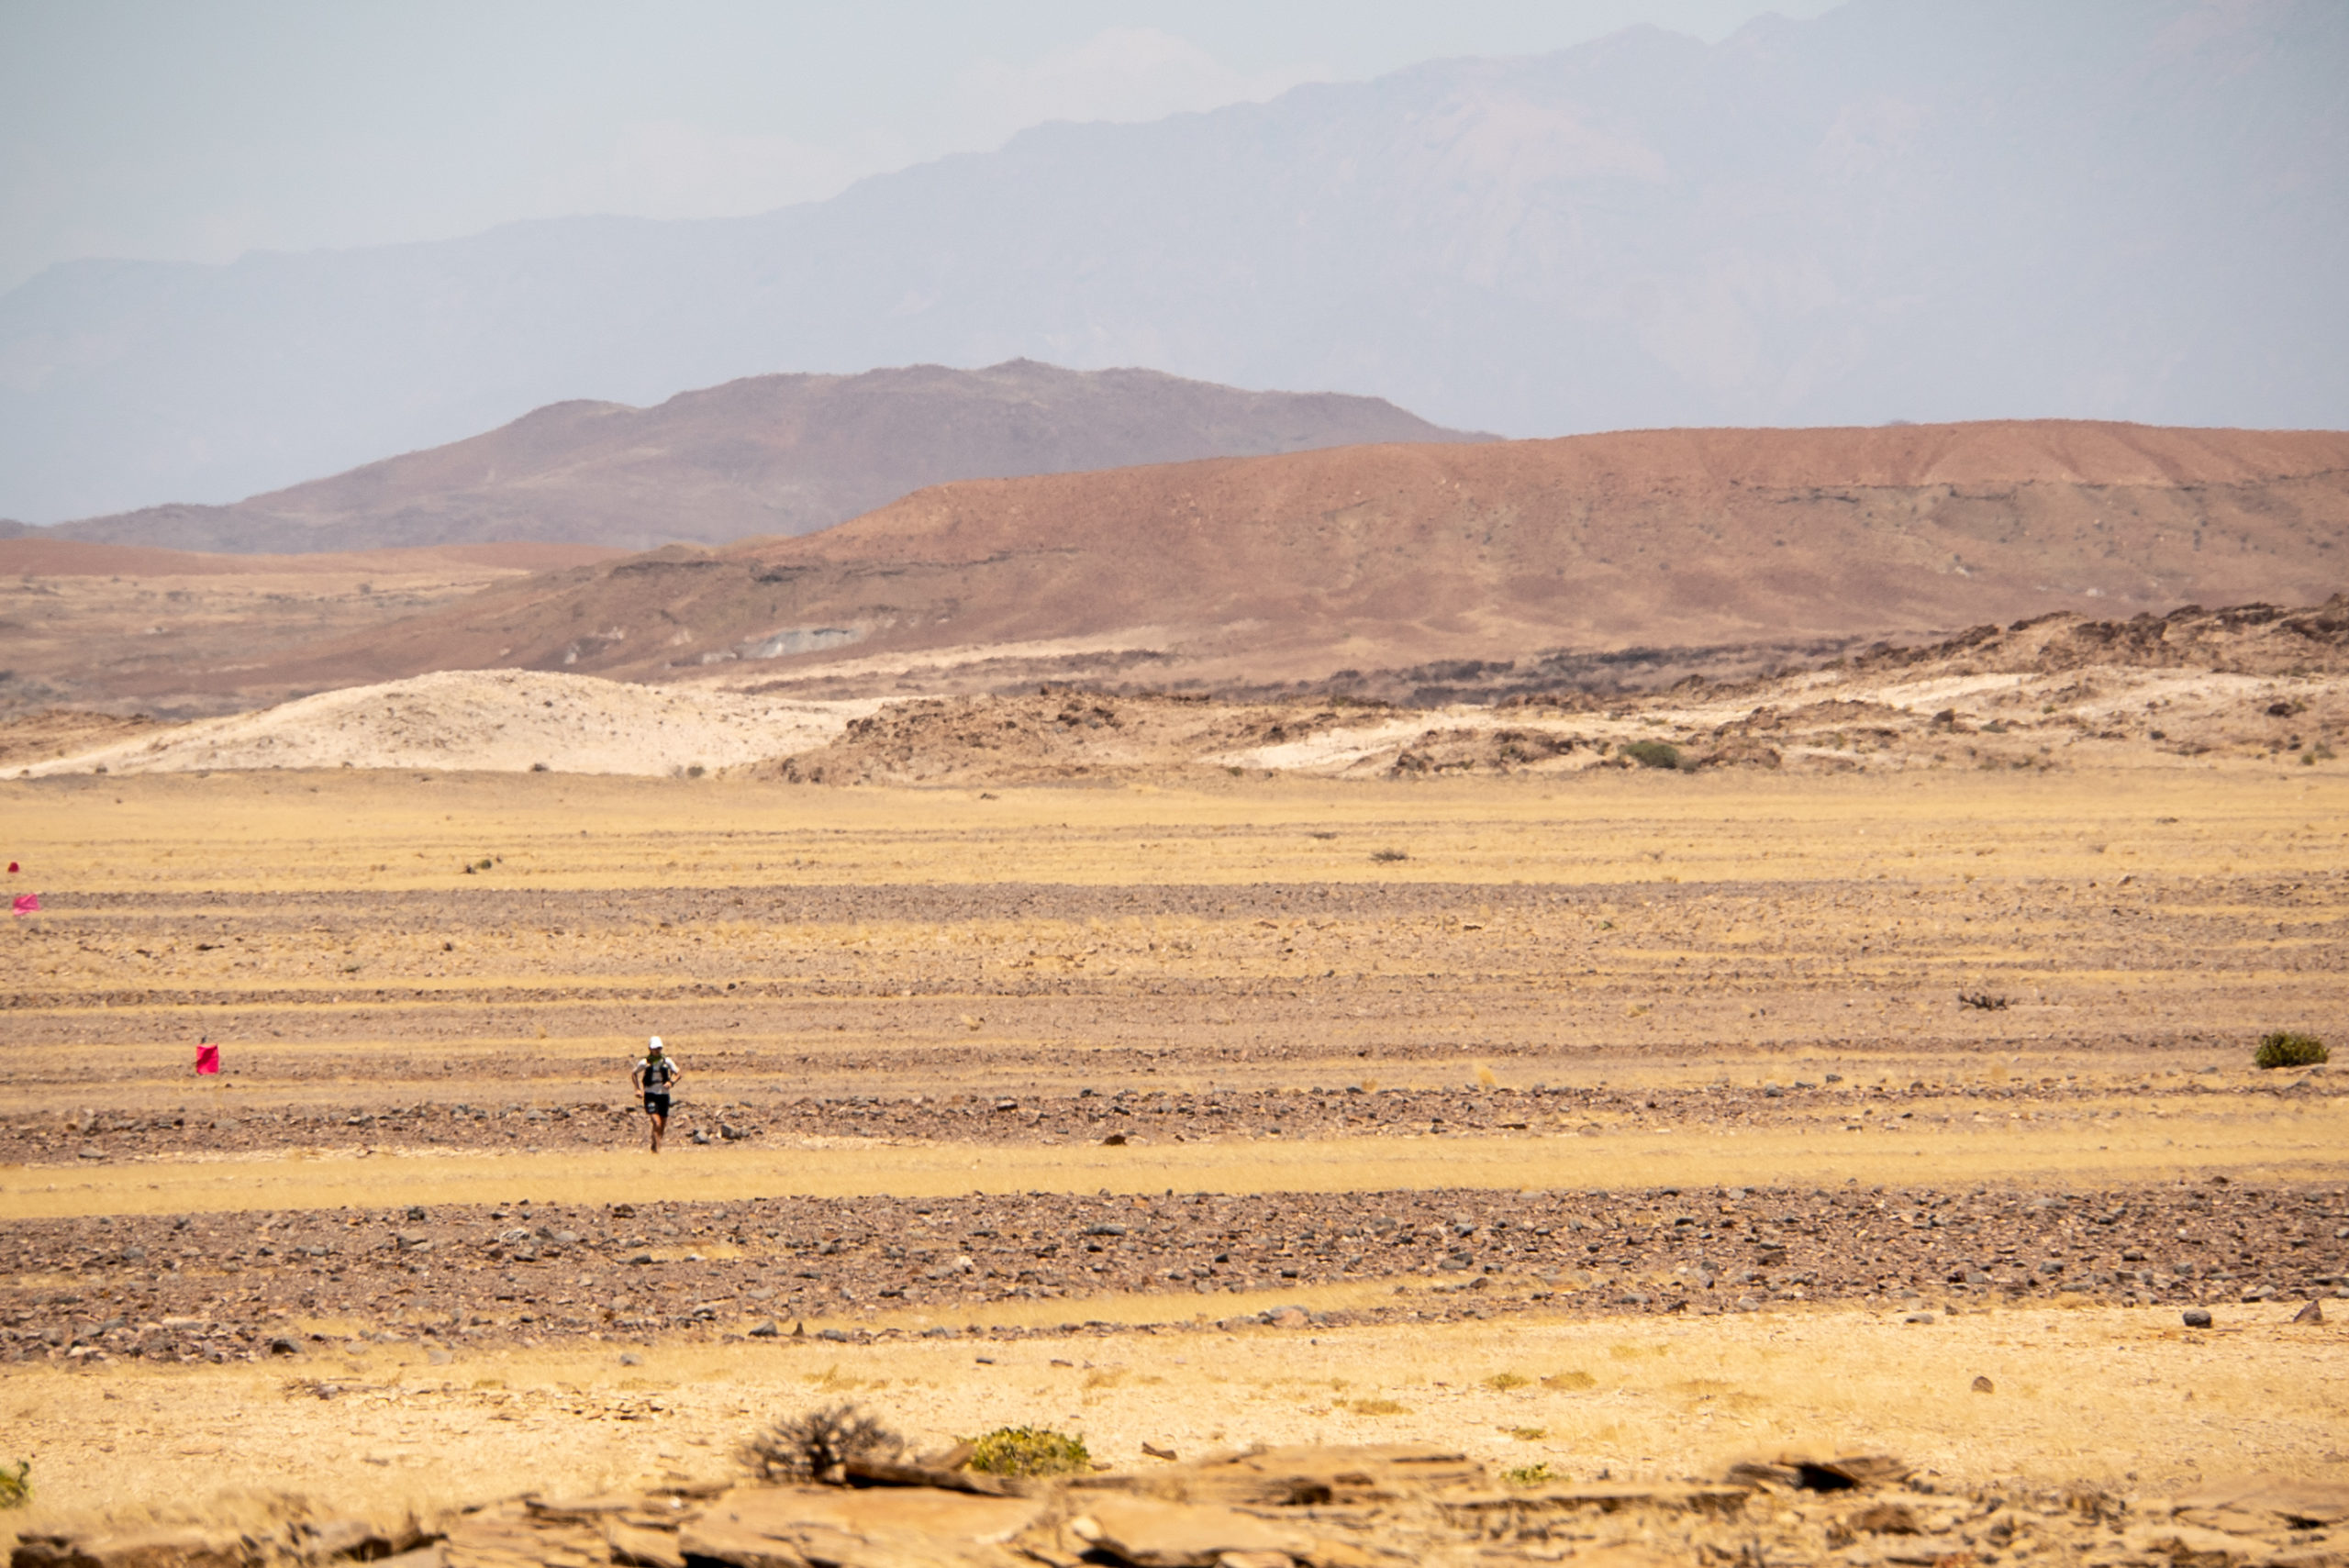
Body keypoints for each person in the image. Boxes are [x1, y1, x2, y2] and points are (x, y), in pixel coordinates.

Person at [631, 1037, 682, 1152]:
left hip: (663, 1095)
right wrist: (637, 1089)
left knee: (662, 1124)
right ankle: (658, 1150)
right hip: (650, 1095)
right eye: (655, 1048)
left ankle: (654, 1144)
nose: (657, 1051)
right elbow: (634, 1073)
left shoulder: (667, 1061)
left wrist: (671, 1082)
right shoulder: (644, 1063)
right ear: (650, 1049)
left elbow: (678, 1073)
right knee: (657, 1122)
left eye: (659, 1048)